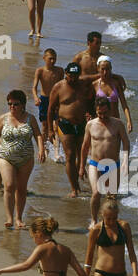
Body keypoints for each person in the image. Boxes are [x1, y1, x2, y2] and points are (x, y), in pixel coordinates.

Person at [0, 90, 45, 229]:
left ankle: (19, 218)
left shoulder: (30, 118)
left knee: (21, 189)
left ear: (23, 105)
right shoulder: (3, 119)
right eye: (10, 104)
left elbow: (38, 135)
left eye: (15, 104)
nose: (12, 107)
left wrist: (41, 149)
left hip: (26, 159)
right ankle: (9, 217)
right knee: (9, 185)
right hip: (5, 158)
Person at [79, 96, 130, 224]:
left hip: (113, 165)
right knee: (96, 193)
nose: (102, 116)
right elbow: (85, 147)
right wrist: (81, 167)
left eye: (105, 113)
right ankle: (94, 220)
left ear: (110, 110)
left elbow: (126, 143)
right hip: (95, 164)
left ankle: (108, 222)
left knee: (111, 197)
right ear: (96, 111)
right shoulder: (90, 124)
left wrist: (125, 161)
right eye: (99, 113)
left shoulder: (118, 124)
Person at [47, 62, 89, 197]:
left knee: (80, 155)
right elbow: (50, 109)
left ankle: (77, 183)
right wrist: (50, 130)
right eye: (71, 75)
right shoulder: (58, 87)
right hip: (65, 124)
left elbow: (90, 102)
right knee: (70, 155)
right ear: (66, 74)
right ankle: (74, 188)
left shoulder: (83, 86)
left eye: (76, 76)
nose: (73, 79)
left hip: (82, 124)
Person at [32, 48, 63, 148]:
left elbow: (63, 86)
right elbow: (34, 87)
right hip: (44, 100)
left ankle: (57, 150)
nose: (53, 61)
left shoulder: (59, 71)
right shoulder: (40, 71)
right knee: (45, 125)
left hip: (56, 100)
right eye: (50, 59)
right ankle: (44, 147)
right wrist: (36, 97)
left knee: (56, 125)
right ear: (44, 58)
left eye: (54, 59)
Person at [92, 55, 132, 131]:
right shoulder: (95, 85)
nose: (105, 72)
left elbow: (124, 105)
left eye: (108, 69)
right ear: (98, 69)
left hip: (115, 121)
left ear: (111, 69)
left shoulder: (116, 84)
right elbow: (90, 103)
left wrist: (129, 121)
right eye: (102, 69)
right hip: (100, 122)